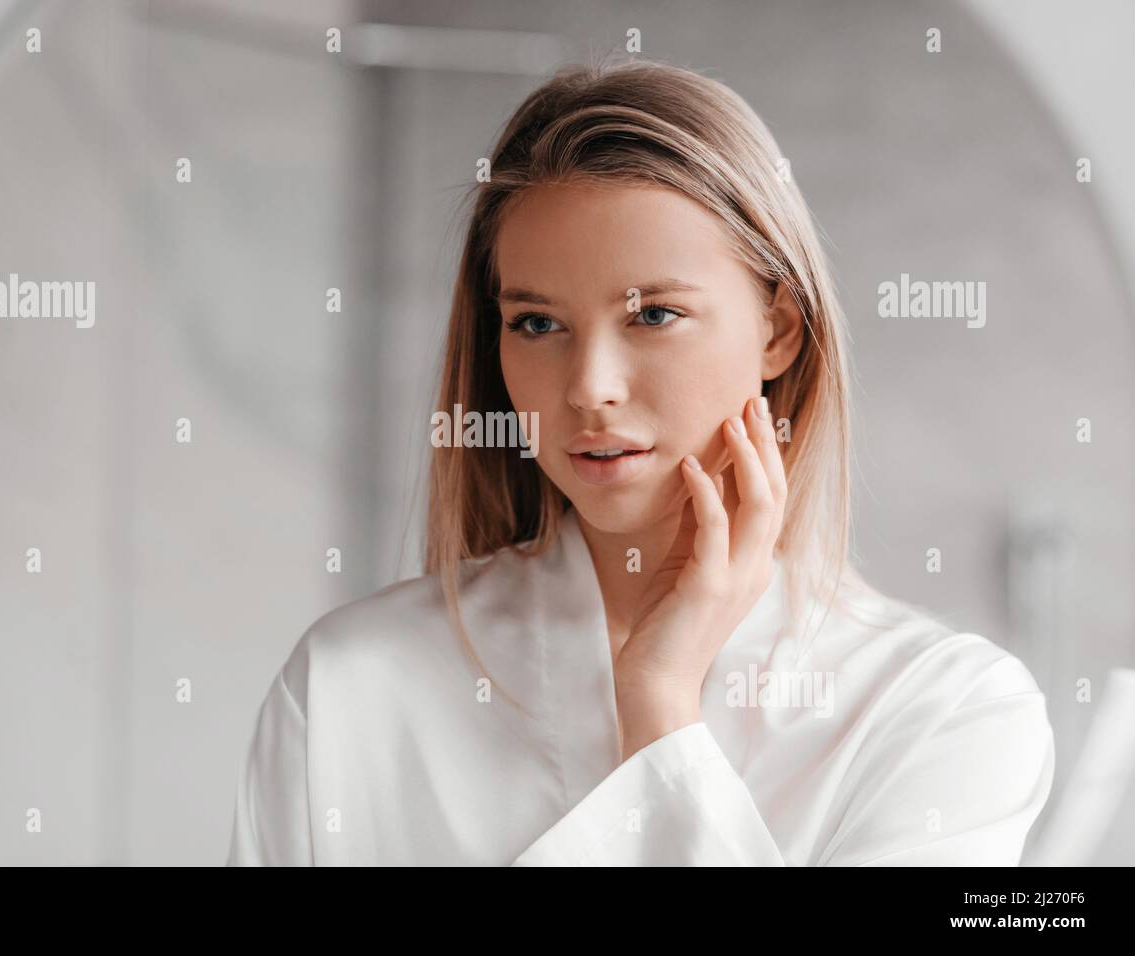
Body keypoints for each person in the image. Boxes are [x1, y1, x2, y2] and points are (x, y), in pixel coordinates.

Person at [227, 58, 1054, 866]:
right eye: (537, 325)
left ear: (779, 329)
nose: (589, 389)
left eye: (653, 314)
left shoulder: (946, 711)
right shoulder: (346, 686)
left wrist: (659, 711)